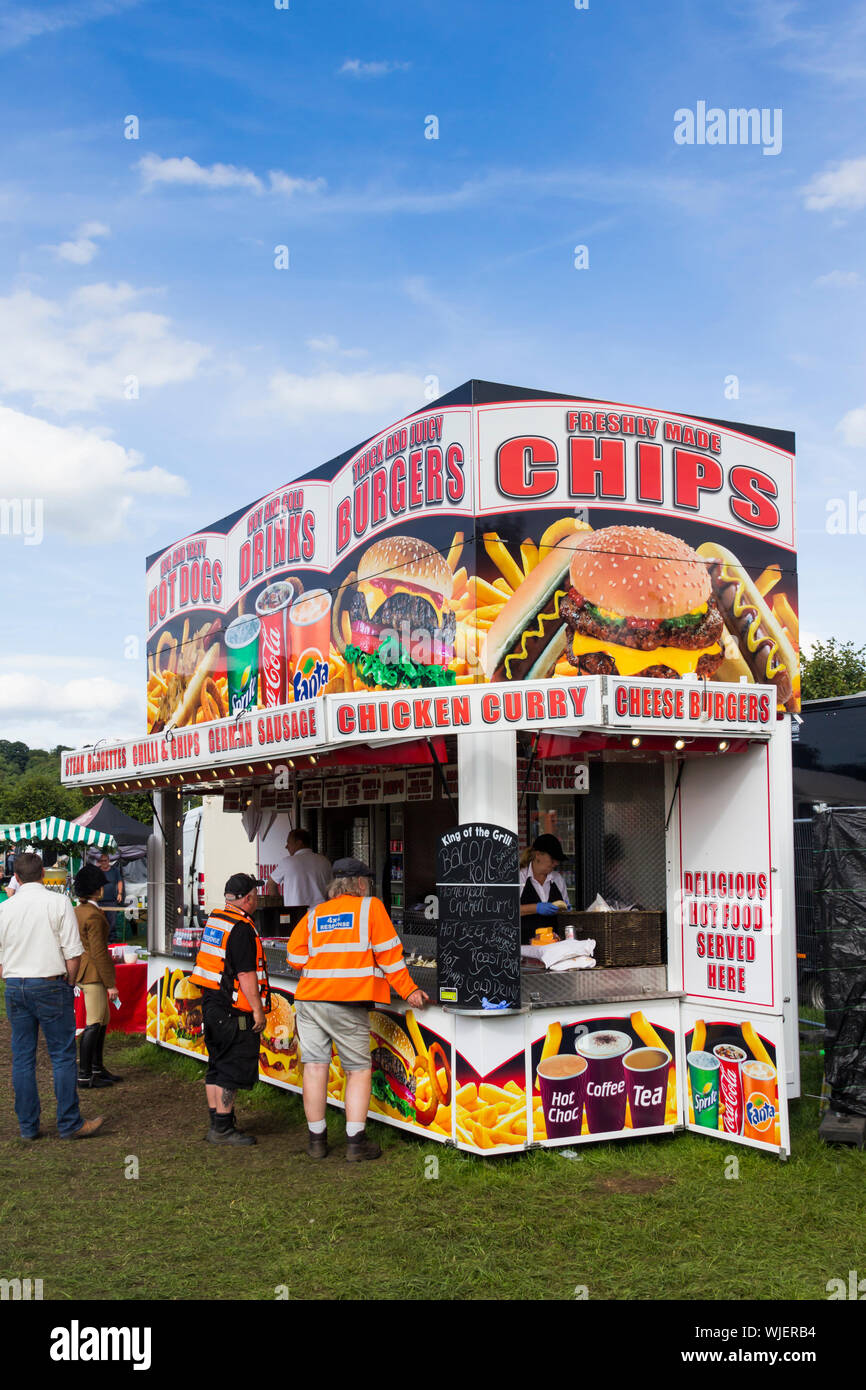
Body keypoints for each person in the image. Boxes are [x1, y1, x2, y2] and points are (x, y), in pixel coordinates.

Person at [287, 857, 429, 1162]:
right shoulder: (370, 907)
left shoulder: (315, 914)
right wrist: (410, 990)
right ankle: (355, 1143)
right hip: (347, 1002)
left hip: (309, 1000)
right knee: (358, 1070)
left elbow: (294, 957)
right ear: (361, 884)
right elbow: (390, 957)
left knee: (313, 1067)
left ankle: (316, 1141)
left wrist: (323, 962)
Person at [0, 851, 104, 1140]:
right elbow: (74, 954)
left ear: (16, 878)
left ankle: (28, 1126)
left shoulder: (4, 908)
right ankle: (69, 1123)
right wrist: (68, 984)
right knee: (61, 1055)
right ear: (43, 875)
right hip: (50, 982)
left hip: (16, 984)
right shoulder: (58, 903)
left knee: (22, 1058)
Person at [190, 873, 271, 1146]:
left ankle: (217, 1121)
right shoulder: (242, 929)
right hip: (233, 1010)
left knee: (216, 1064)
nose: (257, 899)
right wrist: (258, 1012)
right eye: (255, 895)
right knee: (231, 1066)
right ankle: (223, 1128)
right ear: (248, 898)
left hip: (212, 1005)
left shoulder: (216, 919)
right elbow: (247, 975)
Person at [73, 864, 122, 1088]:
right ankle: (85, 1073)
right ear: (97, 890)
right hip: (93, 972)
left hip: (85, 970)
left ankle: (96, 1068)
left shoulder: (80, 910)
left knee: (102, 1020)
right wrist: (110, 983)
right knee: (94, 1022)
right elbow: (99, 951)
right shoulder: (93, 915)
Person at [265, 827, 331, 929]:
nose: (286, 846)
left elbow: (270, 885)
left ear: (299, 843)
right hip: (322, 917)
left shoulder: (288, 862)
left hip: (295, 917)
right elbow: (332, 890)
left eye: (289, 843)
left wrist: (281, 904)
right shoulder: (325, 861)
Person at [519, 834, 571, 944]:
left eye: (557, 860)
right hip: (524, 946)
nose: (555, 863)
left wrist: (565, 910)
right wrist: (536, 908)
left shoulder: (557, 879)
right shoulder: (519, 877)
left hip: (553, 945)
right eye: (552, 859)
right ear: (538, 855)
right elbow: (507, 910)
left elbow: (565, 914)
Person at [96, 851, 125, 943]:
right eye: (102, 861)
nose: (104, 862)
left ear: (109, 860)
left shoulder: (114, 870)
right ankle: (101, 939)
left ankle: (112, 940)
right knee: (100, 921)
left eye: (105, 860)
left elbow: (119, 882)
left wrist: (119, 893)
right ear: (99, 862)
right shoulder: (97, 871)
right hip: (99, 900)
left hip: (112, 900)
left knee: (112, 922)